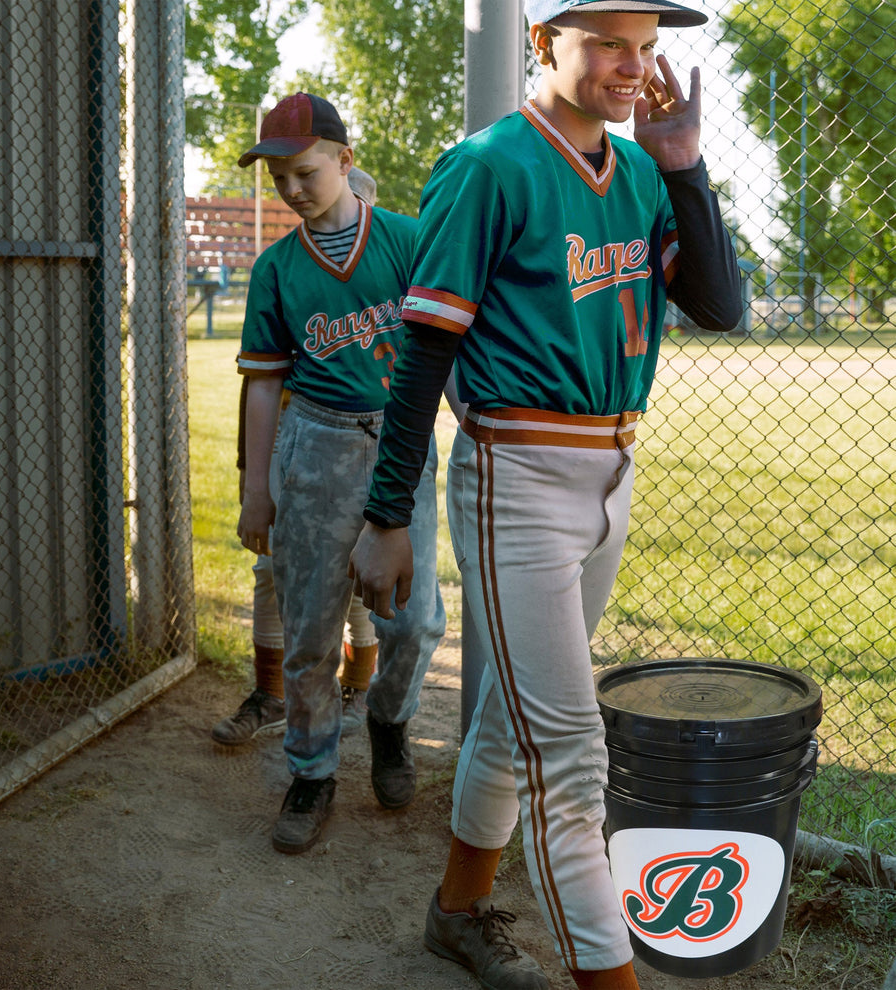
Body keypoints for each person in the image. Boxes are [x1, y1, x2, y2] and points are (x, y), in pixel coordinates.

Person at [348, 2, 742, 988]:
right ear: (543, 42)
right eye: (607, 38)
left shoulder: (645, 169)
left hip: (612, 467)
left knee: (504, 716)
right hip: (516, 477)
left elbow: (721, 307)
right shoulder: (488, 165)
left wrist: (686, 163)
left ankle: (459, 909)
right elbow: (425, 349)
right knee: (570, 760)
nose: (632, 62)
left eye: (646, 44)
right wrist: (387, 515)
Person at [235, 93, 448, 855]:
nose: (292, 189)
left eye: (305, 171)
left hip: (399, 445)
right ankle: (313, 770)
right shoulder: (277, 269)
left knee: (415, 622)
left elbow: (442, 346)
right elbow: (263, 383)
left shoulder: (406, 240)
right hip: (315, 446)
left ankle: (389, 723)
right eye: (279, 178)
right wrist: (257, 487)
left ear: (345, 161)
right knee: (311, 630)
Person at [210, 167, 384, 749]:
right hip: (292, 446)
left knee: (364, 572)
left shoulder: (382, 265)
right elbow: (257, 384)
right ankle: (270, 694)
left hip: (365, 441)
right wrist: (249, 475)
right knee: (272, 572)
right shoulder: (286, 273)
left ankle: (360, 687)